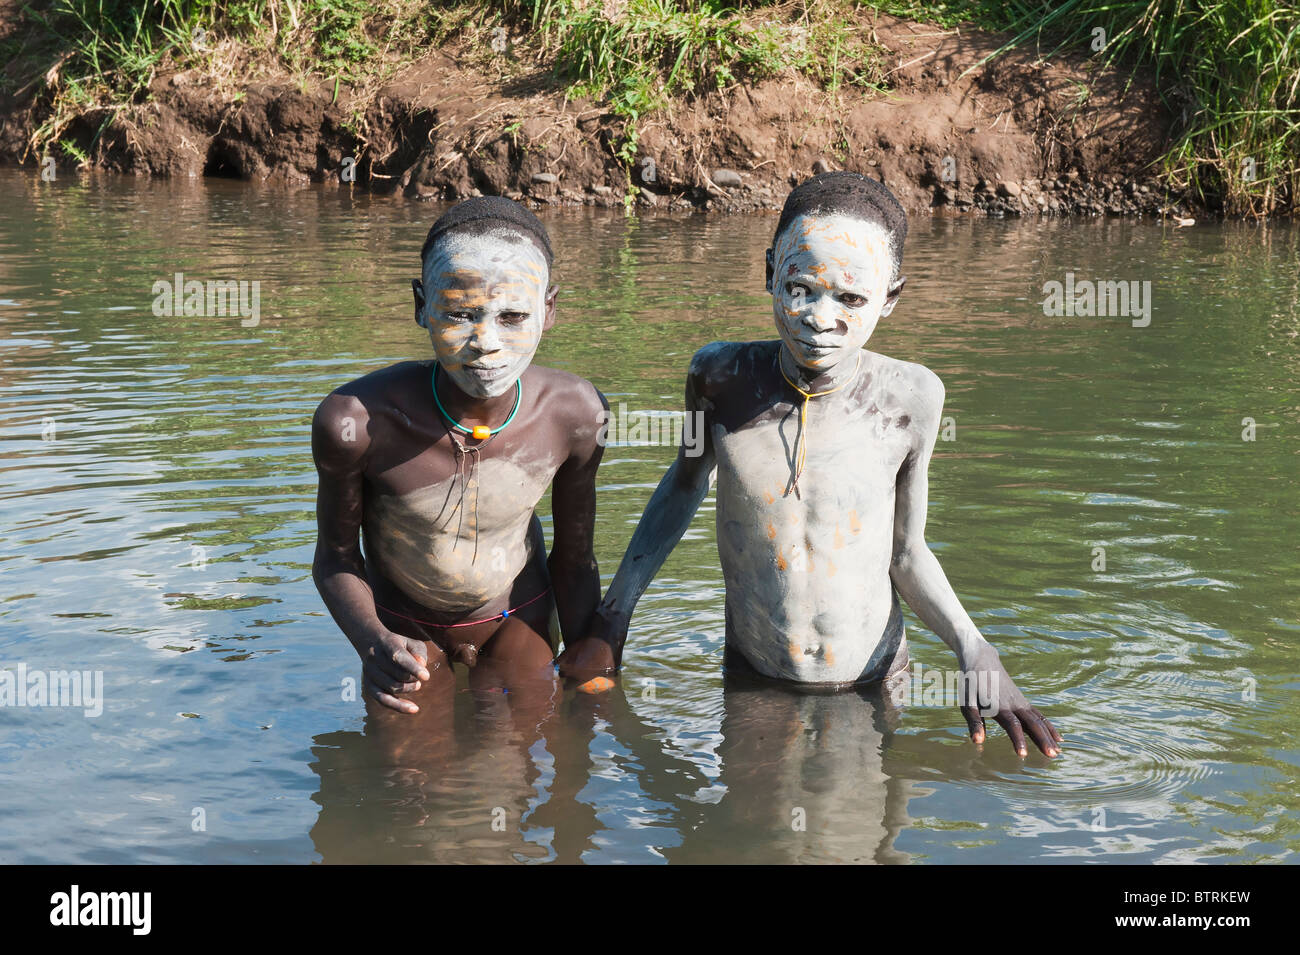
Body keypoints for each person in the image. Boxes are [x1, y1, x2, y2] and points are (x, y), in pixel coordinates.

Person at [561, 172, 1063, 757]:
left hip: (875, 680)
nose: (820, 318)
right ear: (769, 270)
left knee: (860, 836)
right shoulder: (719, 378)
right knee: (747, 837)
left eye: (851, 298)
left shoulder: (911, 397)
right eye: (800, 287)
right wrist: (611, 621)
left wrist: (976, 650)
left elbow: (906, 552)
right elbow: (682, 487)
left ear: (891, 298)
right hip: (756, 676)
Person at [313, 197, 606, 713]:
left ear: (550, 310)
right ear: (421, 304)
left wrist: (589, 650)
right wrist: (372, 642)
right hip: (401, 625)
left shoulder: (574, 415)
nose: (486, 342)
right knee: (415, 782)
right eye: (458, 314)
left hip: (519, 614)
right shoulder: (355, 423)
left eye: (513, 315)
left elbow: (575, 558)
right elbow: (336, 559)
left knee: (516, 764)